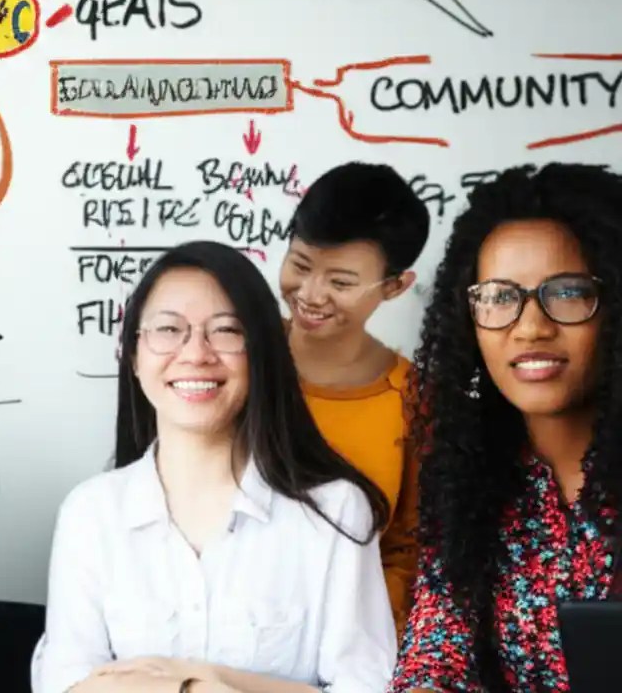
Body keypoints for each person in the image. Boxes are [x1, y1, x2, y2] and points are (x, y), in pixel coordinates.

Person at [32, 241, 396, 693]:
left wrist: (204, 684)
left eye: (225, 331)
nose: (196, 354)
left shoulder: (334, 510)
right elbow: (65, 683)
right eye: (169, 329)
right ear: (133, 355)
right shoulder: (91, 513)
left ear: (261, 355)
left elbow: (366, 686)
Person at [391, 163, 622, 693]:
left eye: (567, 292)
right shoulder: (471, 482)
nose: (531, 327)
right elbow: (435, 656)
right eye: (498, 297)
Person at [278, 162, 429, 633]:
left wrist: (367, 641)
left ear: (395, 286)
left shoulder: (413, 399)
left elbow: (406, 549)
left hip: (349, 643)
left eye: (341, 282)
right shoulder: (231, 357)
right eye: (300, 265)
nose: (310, 293)